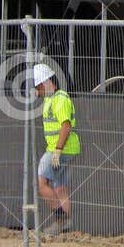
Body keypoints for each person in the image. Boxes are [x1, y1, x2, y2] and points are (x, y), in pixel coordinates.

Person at [33, 62, 81, 237]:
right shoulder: (50, 99)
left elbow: (65, 126)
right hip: (66, 149)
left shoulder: (59, 99)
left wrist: (57, 151)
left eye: (38, 87)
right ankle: (66, 227)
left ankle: (60, 220)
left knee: (42, 182)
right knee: (60, 188)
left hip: (59, 149)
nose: (37, 92)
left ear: (46, 82)